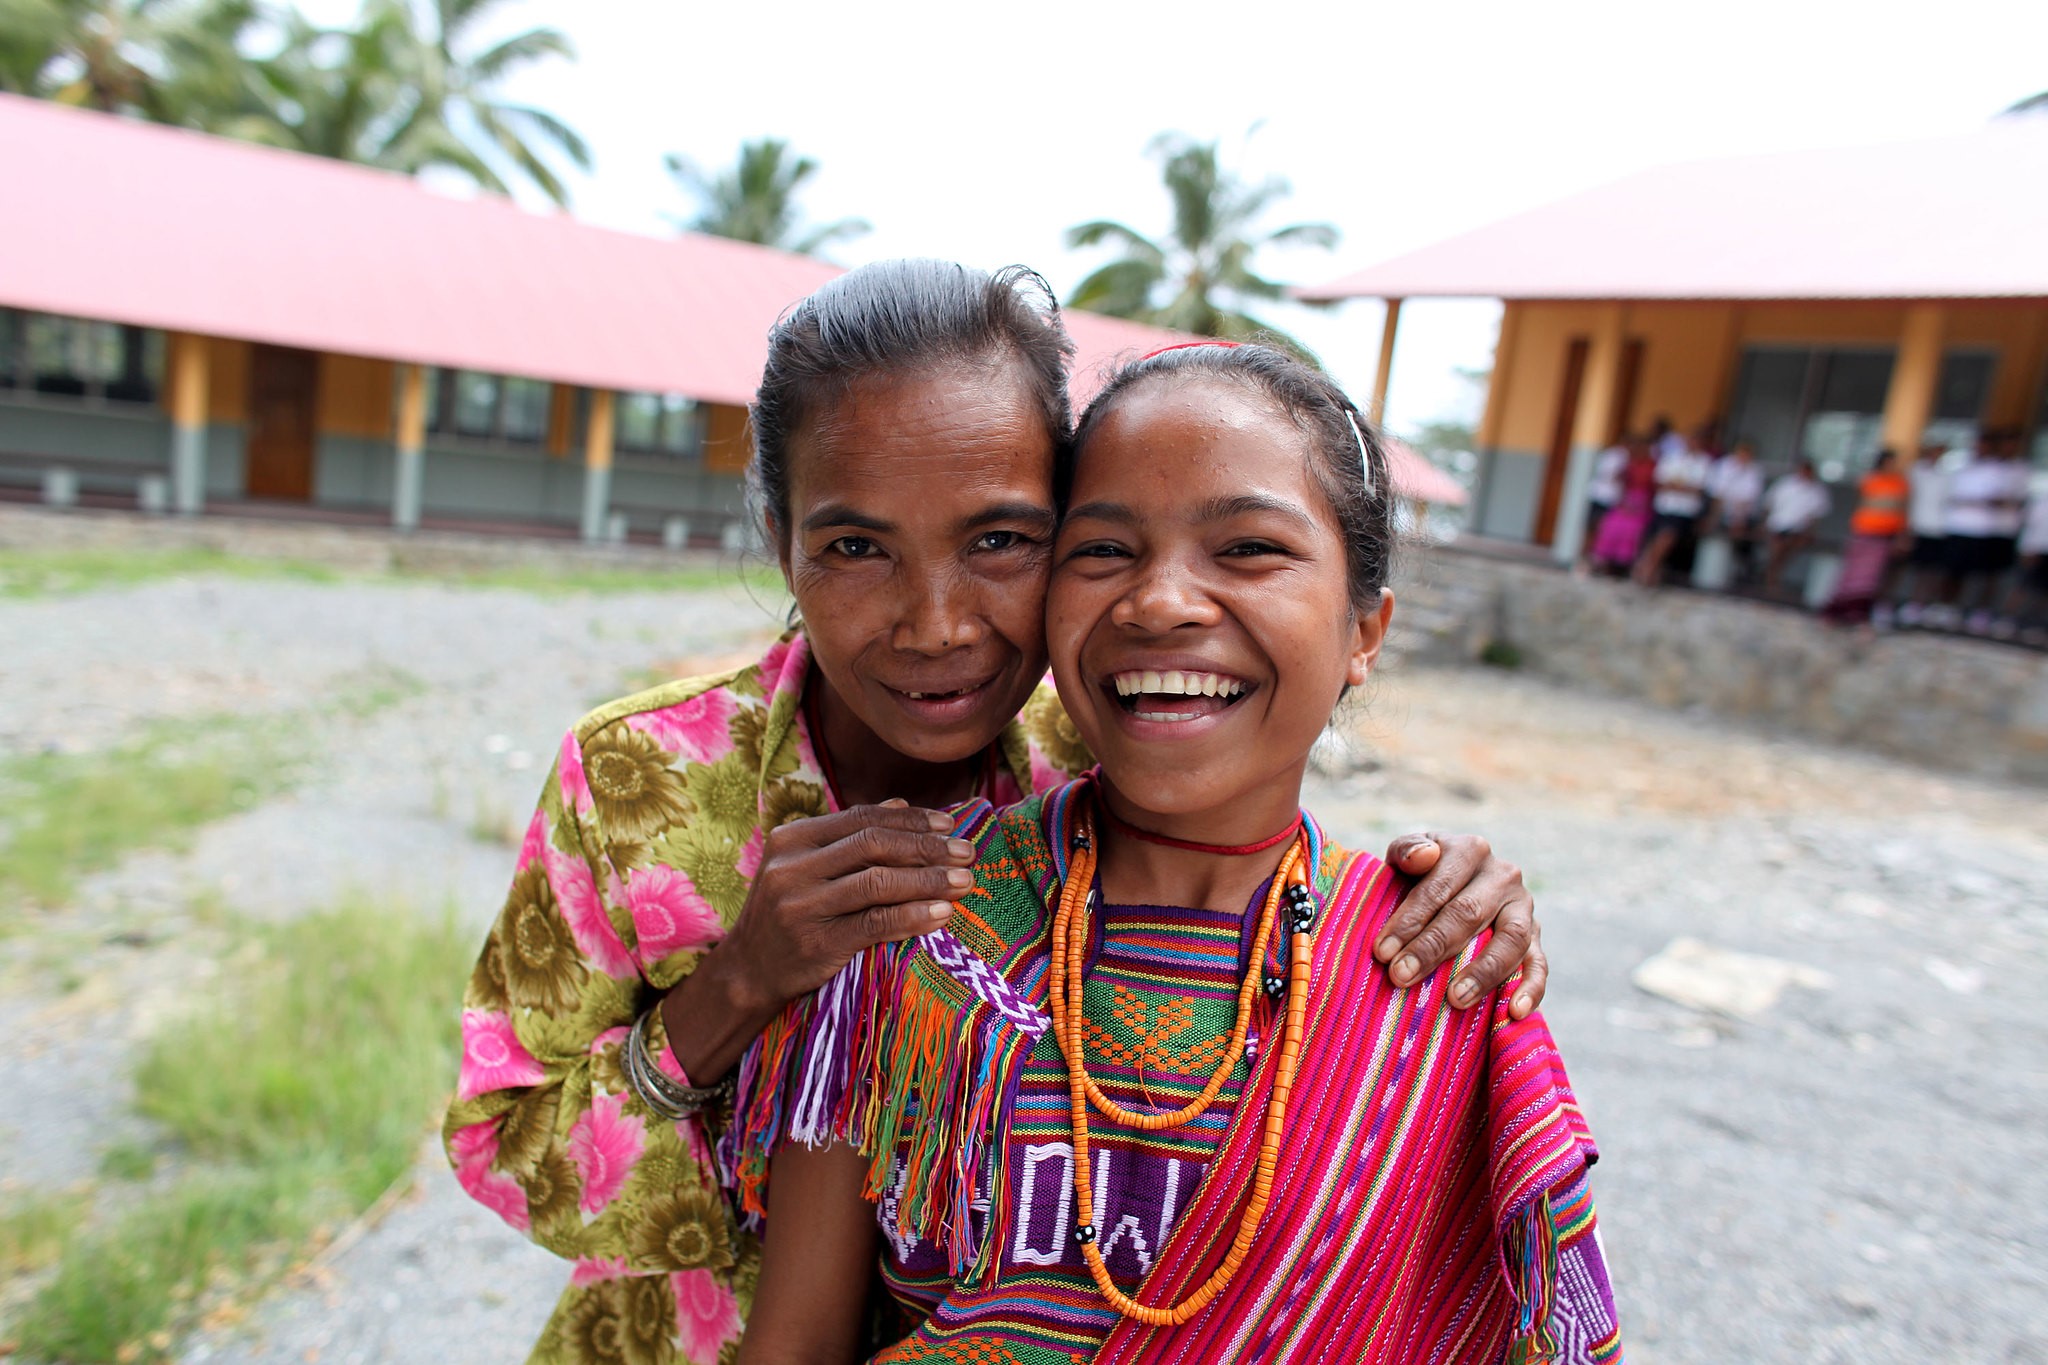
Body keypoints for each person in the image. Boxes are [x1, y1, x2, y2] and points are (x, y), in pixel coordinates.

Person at [444, 262, 1554, 1364]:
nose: (935, 626)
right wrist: (740, 984)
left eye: (1000, 541)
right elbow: (507, 1157)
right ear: (783, 543)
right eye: (855, 547)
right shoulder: (641, 782)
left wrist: (1455, 897)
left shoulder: (1114, 740)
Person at [734, 342, 1620, 1365]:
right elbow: (792, 1343)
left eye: (1246, 549)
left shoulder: (1440, 979)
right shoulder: (907, 927)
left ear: (1363, 631)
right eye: (1102, 551)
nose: (1158, 603)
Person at [1942, 431, 2029, 633]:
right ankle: (1947, 607)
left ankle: (1981, 612)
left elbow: (2013, 499)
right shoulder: (1964, 467)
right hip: (1962, 527)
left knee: (1989, 574)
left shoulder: (2016, 470)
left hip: (1994, 530)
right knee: (1955, 570)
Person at [1822, 448, 1909, 625]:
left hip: (1884, 534)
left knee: (1870, 576)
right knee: (1852, 573)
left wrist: (1902, 535)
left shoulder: (1900, 483)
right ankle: (1837, 610)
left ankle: (1859, 612)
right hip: (1864, 531)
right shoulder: (1869, 480)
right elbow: (1861, 503)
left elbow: (1901, 510)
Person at [1633, 426, 1711, 586]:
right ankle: (1648, 570)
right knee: (1655, 539)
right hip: (1665, 506)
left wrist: (1677, 485)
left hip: (1683, 510)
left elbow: (1699, 489)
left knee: (1666, 538)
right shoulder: (1672, 458)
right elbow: (1661, 483)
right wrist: (1682, 487)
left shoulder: (1704, 462)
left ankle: (1649, 570)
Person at [1895, 439, 1952, 626]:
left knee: (1929, 571)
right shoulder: (1914, 472)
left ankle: (1918, 605)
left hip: (1936, 529)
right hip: (1912, 527)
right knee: (1898, 567)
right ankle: (1886, 604)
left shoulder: (1946, 476)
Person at [1760, 460, 1832, 596]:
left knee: (1785, 554)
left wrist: (1810, 532)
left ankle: (1772, 576)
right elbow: (1769, 504)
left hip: (1798, 529)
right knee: (1777, 551)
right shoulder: (1785, 484)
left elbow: (1816, 515)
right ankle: (1771, 578)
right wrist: (1764, 523)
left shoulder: (1817, 490)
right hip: (1778, 525)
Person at [1588, 436, 1656, 575]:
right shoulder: (1630, 464)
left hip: (1642, 505)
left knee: (1632, 530)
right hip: (1626, 502)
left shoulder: (1652, 466)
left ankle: (1624, 566)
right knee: (1611, 526)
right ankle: (1604, 564)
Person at [1704, 438, 1766, 585]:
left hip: (1744, 515)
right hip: (1722, 511)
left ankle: (1738, 567)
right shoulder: (1724, 466)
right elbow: (1716, 494)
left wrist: (1739, 518)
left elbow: (1749, 499)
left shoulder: (1755, 471)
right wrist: (1714, 517)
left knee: (1742, 534)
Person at [1580, 437, 1628, 564]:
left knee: (1596, 528)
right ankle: (1586, 556)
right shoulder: (1619, 456)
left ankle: (1588, 557)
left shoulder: (1612, 454)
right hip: (1604, 496)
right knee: (1595, 527)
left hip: (1603, 496)